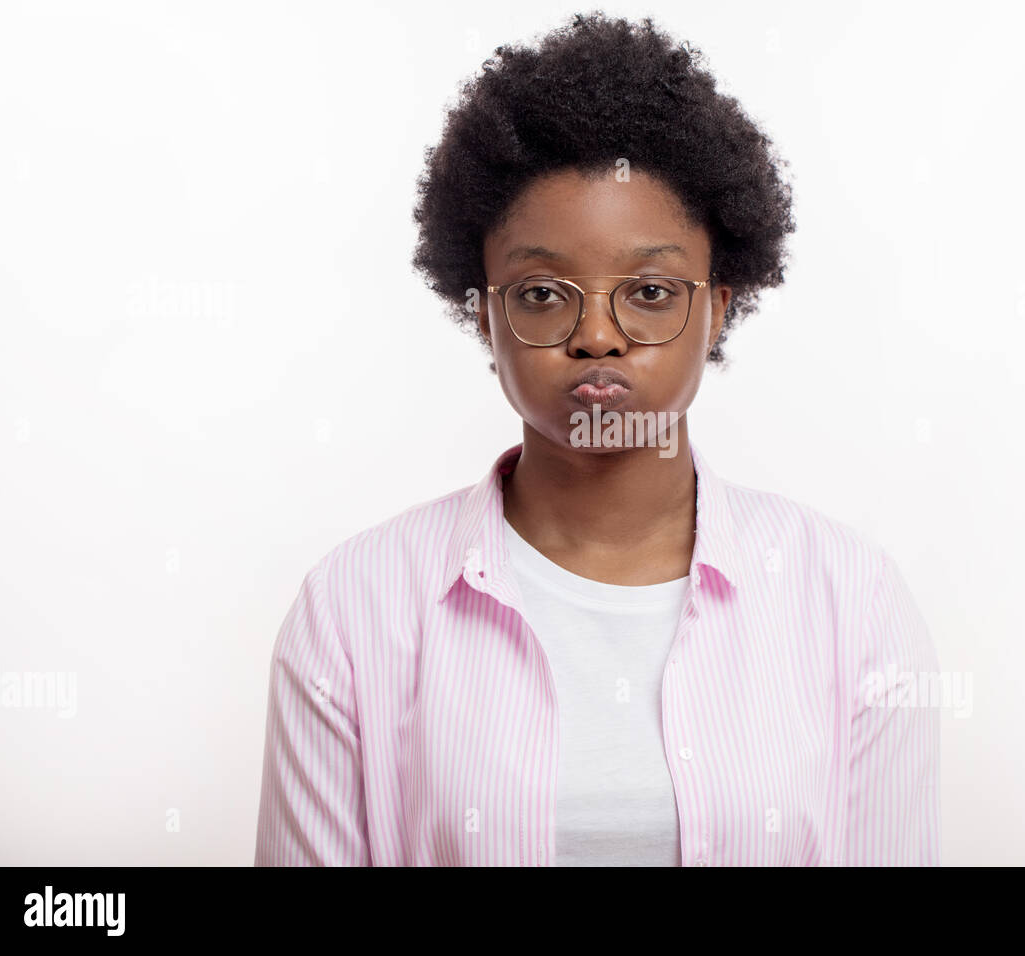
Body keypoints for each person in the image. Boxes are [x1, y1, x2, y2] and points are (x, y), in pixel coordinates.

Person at [254, 10, 940, 867]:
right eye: (542, 293)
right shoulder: (354, 608)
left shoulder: (851, 601)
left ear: (719, 306)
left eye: (650, 290)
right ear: (485, 316)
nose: (599, 337)